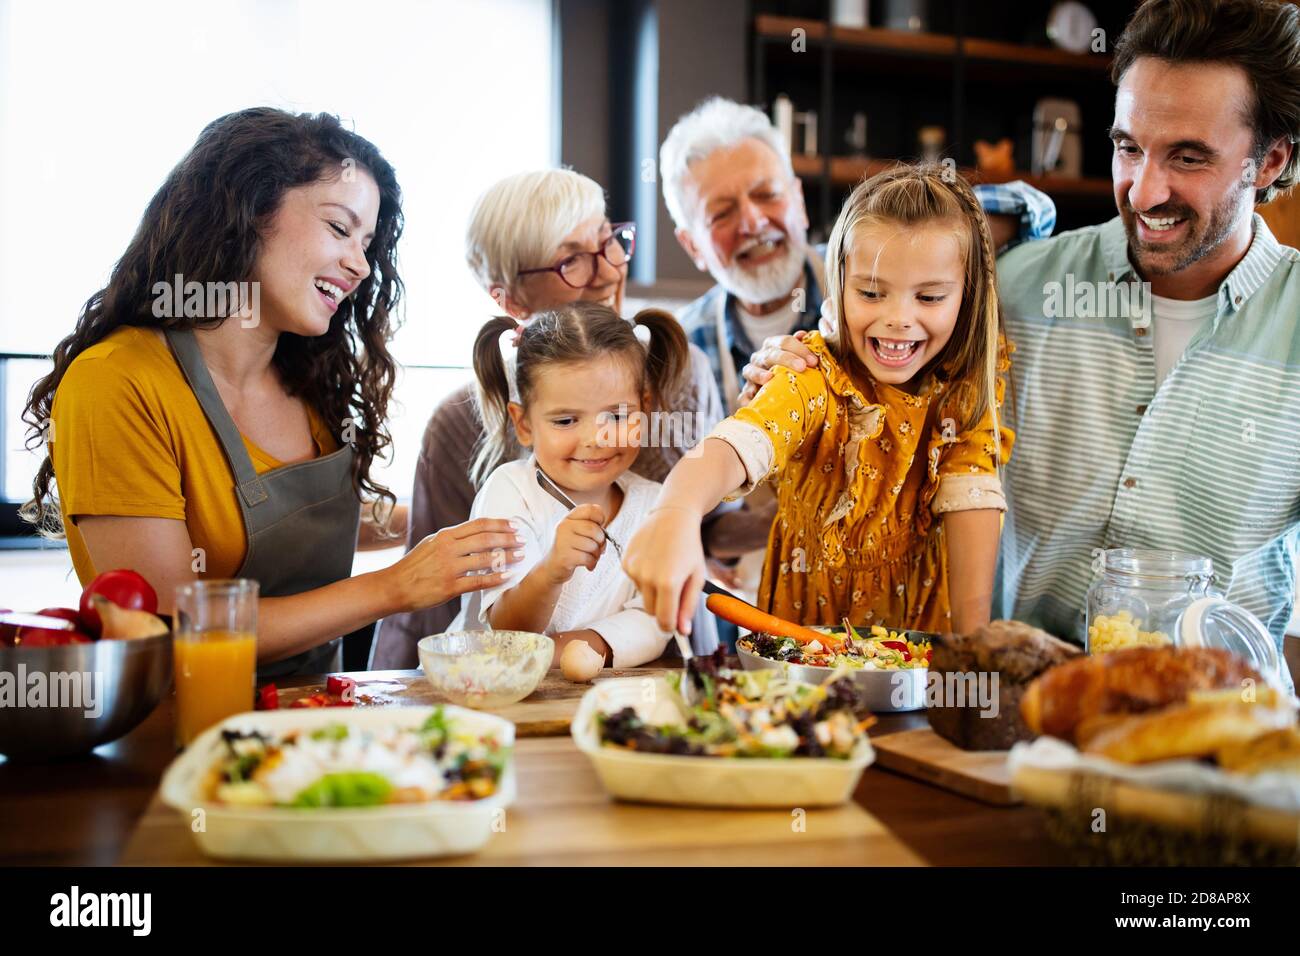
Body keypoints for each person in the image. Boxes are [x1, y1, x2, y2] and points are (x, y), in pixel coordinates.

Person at [738, 0, 1300, 676]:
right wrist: (810, 365)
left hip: (1211, 732)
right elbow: (885, 357)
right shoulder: (1015, 288)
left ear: (1269, 161)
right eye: (1128, 147)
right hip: (1006, 714)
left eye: (1188, 157)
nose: (1144, 190)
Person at [21, 108, 521, 678]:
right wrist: (397, 587)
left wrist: (460, 523)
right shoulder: (117, 382)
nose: (359, 265)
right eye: (339, 228)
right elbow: (170, 624)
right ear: (248, 209)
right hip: (183, 741)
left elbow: (303, 529)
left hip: (313, 724)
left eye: (368, 243)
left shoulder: (310, 383)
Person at [623, 164, 1012, 638]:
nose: (898, 318)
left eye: (929, 297)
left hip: (916, 648)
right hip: (800, 642)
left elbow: (970, 495)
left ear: (966, 297)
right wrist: (676, 511)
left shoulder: (965, 388)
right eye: (871, 292)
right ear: (838, 287)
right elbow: (738, 444)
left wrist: (972, 645)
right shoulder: (810, 373)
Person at [372, 169, 724, 667]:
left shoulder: (680, 376)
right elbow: (439, 598)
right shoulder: (458, 424)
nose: (607, 272)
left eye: (609, 244)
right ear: (510, 298)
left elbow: (707, 533)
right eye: (571, 261)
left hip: (645, 671)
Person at [453, 303, 690, 667]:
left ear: (643, 409)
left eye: (617, 415)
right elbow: (508, 634)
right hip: (488, 696)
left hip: (600, 702)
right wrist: (551, 572)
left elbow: (653, 621)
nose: (596, 438)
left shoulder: (658, 504)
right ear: (525, 423)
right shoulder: (510, 492)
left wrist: (575, 653)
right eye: (565, 421)